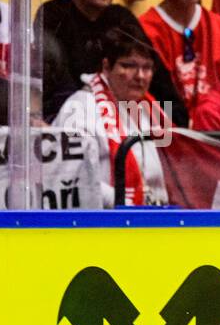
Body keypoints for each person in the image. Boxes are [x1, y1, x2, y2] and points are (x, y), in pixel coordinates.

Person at [36, 0, 184, 121]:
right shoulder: (52, 14)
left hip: (117, 119)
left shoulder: (122, 18)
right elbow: (56, 90)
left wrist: (174, 122)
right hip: (71, 120)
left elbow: (158, 80)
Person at [52, 27, 170, 206]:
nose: (140, 76)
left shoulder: (152, 110)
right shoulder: (79, 108)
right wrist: (127, 204)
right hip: (100, 223)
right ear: (106, 67)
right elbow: (73, 176)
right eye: (128, 66)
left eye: (147, 68)